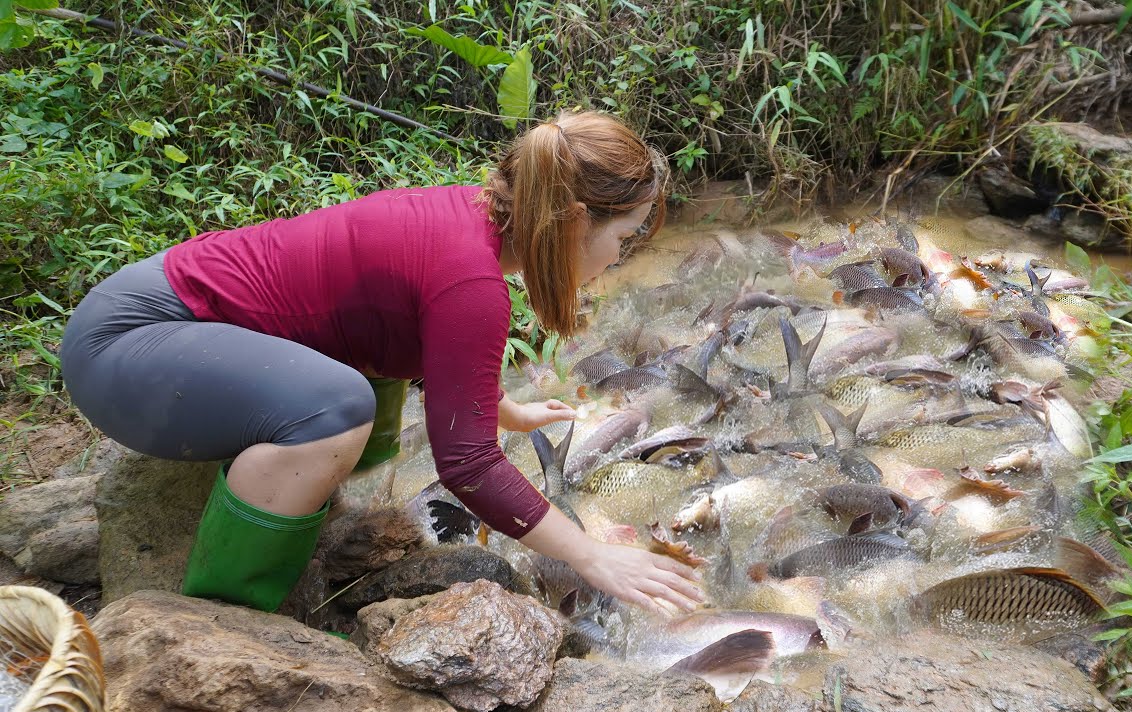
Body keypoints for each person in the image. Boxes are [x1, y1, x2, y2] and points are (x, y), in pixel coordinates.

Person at [59, 111, 706, 616]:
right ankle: (225, 611)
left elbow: (421, 332)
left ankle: (310, 510)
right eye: (622, 239)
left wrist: (503, 410)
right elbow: (469, 466)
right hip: (127, 350)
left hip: (145, 330)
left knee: (355, 385)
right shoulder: (471, 282)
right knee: (340, 408)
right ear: (572, 220)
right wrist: (593, 557)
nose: (619, 258)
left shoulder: (469, 224)